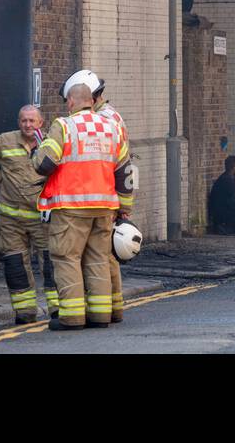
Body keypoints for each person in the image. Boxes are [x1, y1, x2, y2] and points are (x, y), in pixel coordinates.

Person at [32, 79, 134, 331]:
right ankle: (101, 315)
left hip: (71, 206)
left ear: (71, 102)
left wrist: (36, 152)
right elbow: (125, 172)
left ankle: (72, 317)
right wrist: (124, 207)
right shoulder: (112, 128)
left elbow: (45, 163)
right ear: (92, 100)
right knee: (98, 258)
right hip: (104, 207)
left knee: (67, 258)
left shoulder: (64, 126)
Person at [0, 103, 56, 323]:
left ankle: (57, 309)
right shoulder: (5, 141)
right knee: (15, 265)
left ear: (40, 123)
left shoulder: (50, 145)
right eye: (23, 120)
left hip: (41, 218)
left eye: (31, 121)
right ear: (19, 122)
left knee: (51, 264)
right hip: (11, 219)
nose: (27, 124)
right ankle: (25, 312)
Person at [91, 74, 134, 324]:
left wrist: (122, 205)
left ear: (93, 97)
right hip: (108, 196)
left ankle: (103, 309)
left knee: (101, 256)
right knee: (106, 256)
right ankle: (113, 307)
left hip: (101, 196)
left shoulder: (102, 119)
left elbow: (119, 163)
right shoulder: (112, 115)